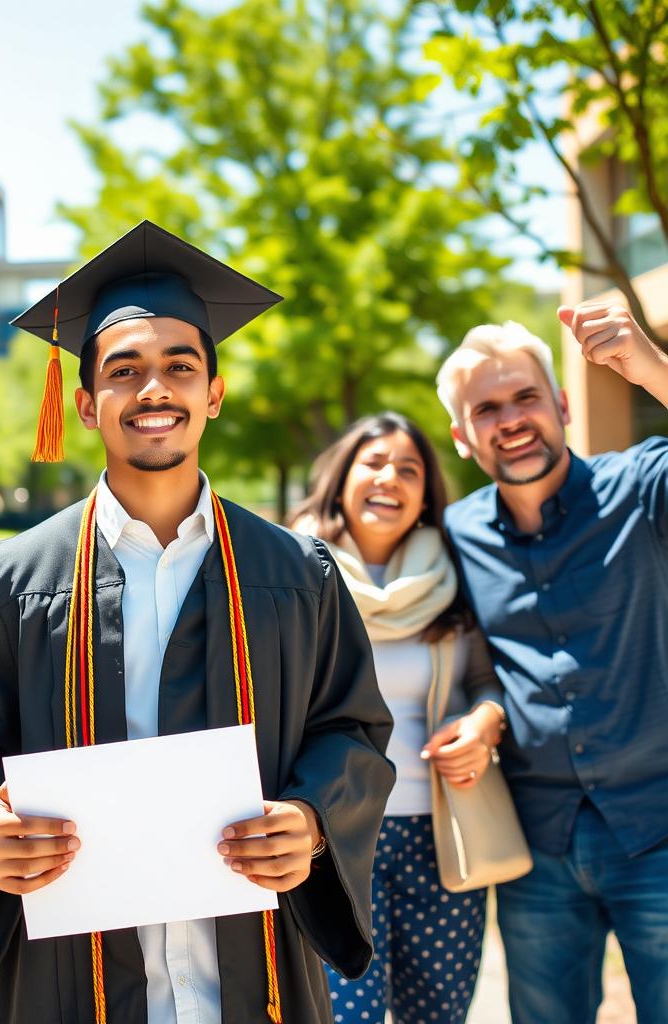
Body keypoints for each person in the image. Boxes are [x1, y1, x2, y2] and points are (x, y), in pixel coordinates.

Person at [0, 220, 395, 1024]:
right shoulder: (12, 580)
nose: (154, 389)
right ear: (86, 404)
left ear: (214, 394)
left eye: (179, 367)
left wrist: (312, 818)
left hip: (252, 969)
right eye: (125, 371)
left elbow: (353, 730)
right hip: (70, 971)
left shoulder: (296, 575)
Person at [436, 305, 668, 1024]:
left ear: (562, 403)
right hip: (538, 843)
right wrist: (480, 718)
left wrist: (648, 367)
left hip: (658, 828)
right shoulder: (456, 533)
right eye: (487, 408)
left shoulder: (642, 487)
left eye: (526, 396)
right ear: (463, 437)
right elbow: (460, 657)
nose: (510, 418)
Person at [291, 412, 505, 1024]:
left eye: (409, 469)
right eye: (375, 462)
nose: (390, 477)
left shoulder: (453, 575)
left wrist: (485, 722)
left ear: (425, 494)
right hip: (328, 836)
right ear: (341, 478)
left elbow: (483, 680)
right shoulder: (293, 572)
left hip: (439, 835)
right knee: (345, 1014)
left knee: (438, 1013)